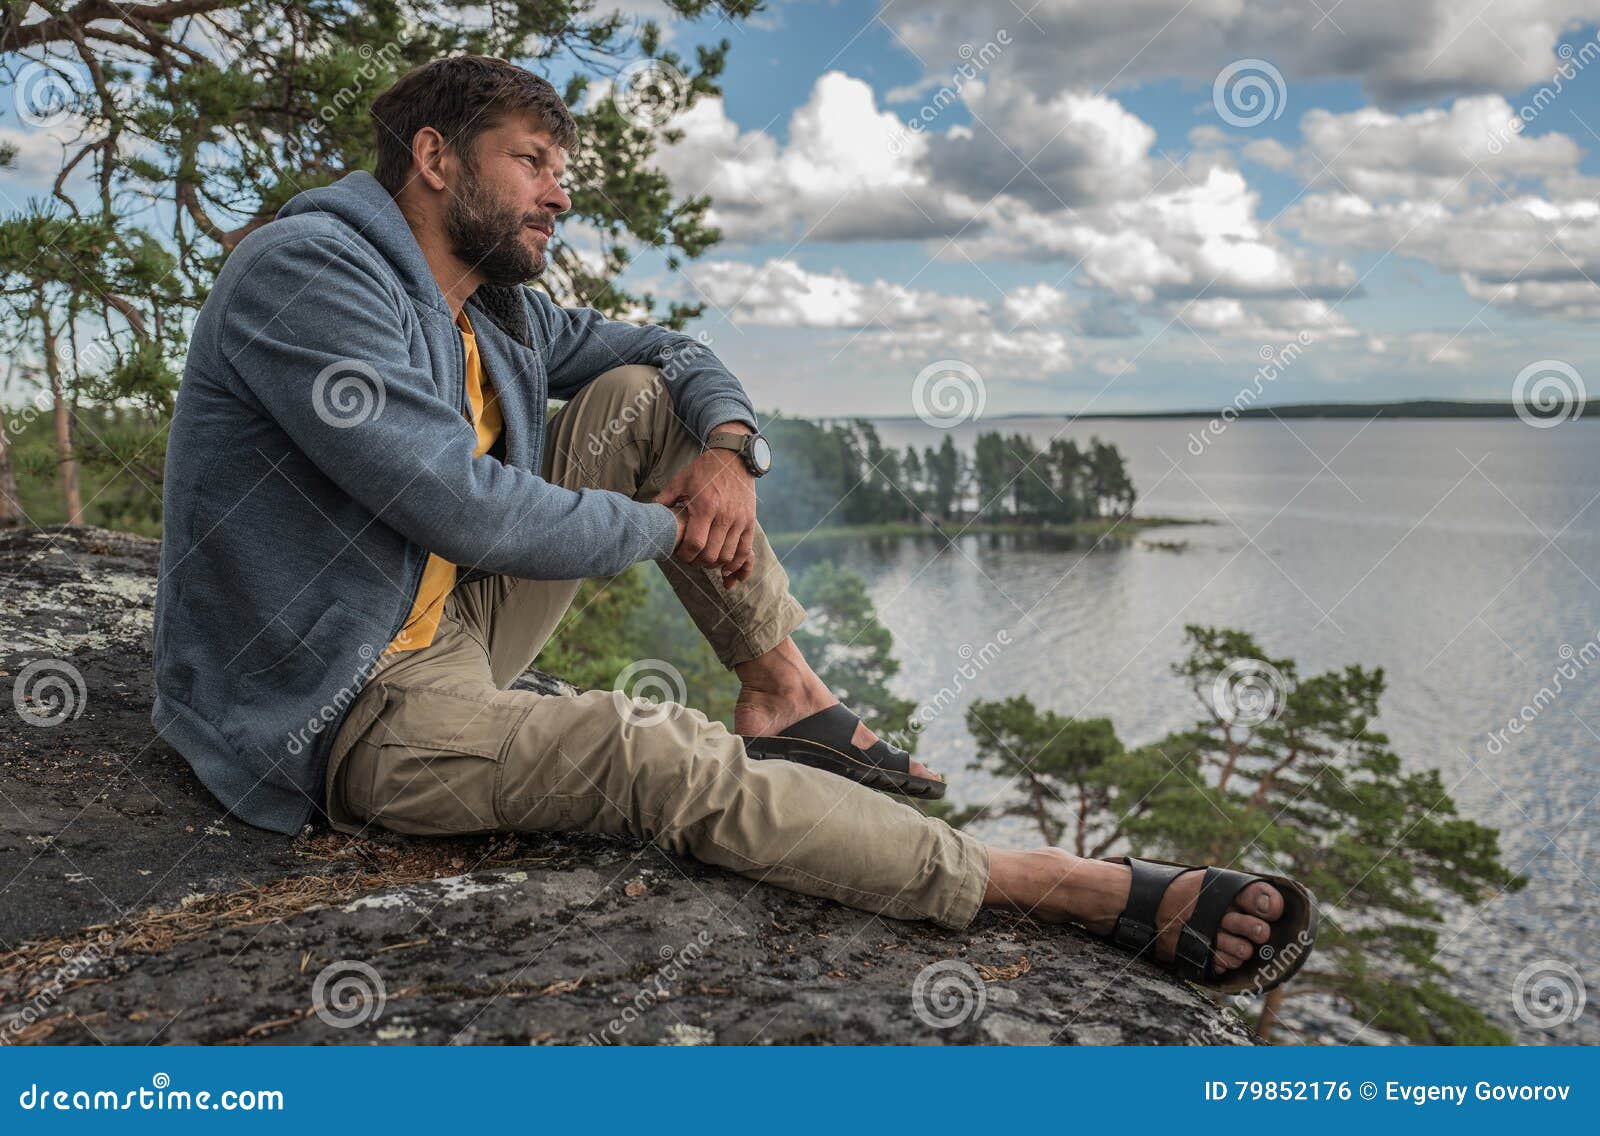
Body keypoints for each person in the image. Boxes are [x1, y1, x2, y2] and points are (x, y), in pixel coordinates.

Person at [152, 56, 1315, 993]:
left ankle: (783, 689)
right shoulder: (307, 272)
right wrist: (663, 530)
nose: (562, 191)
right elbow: (457, 504)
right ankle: (1051, 882)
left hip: (444, 616)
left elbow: (674, 353)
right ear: (433, 158)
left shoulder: (493, 307)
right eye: (533, 162)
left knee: (647, 403)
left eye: (566, 166)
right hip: (344, 700)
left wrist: (728, 452)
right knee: (649, 750)